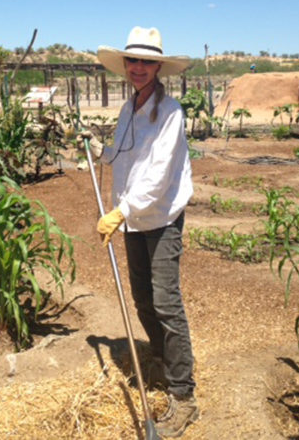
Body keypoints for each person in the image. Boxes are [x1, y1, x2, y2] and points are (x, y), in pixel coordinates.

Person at [79, 26, 198, 438]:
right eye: (133, 60)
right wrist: (100, 150)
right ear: (125, 64)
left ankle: (184, 396)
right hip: (131, 219)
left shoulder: (170, 112)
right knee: (143, 300)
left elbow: (159, 175)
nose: (139, 67)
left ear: (158, 67)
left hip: (161, 218)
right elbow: (125, 156)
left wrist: (120, 211)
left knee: (166, 303)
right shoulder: (129, 109)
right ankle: (164, 363)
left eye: (147, 61)